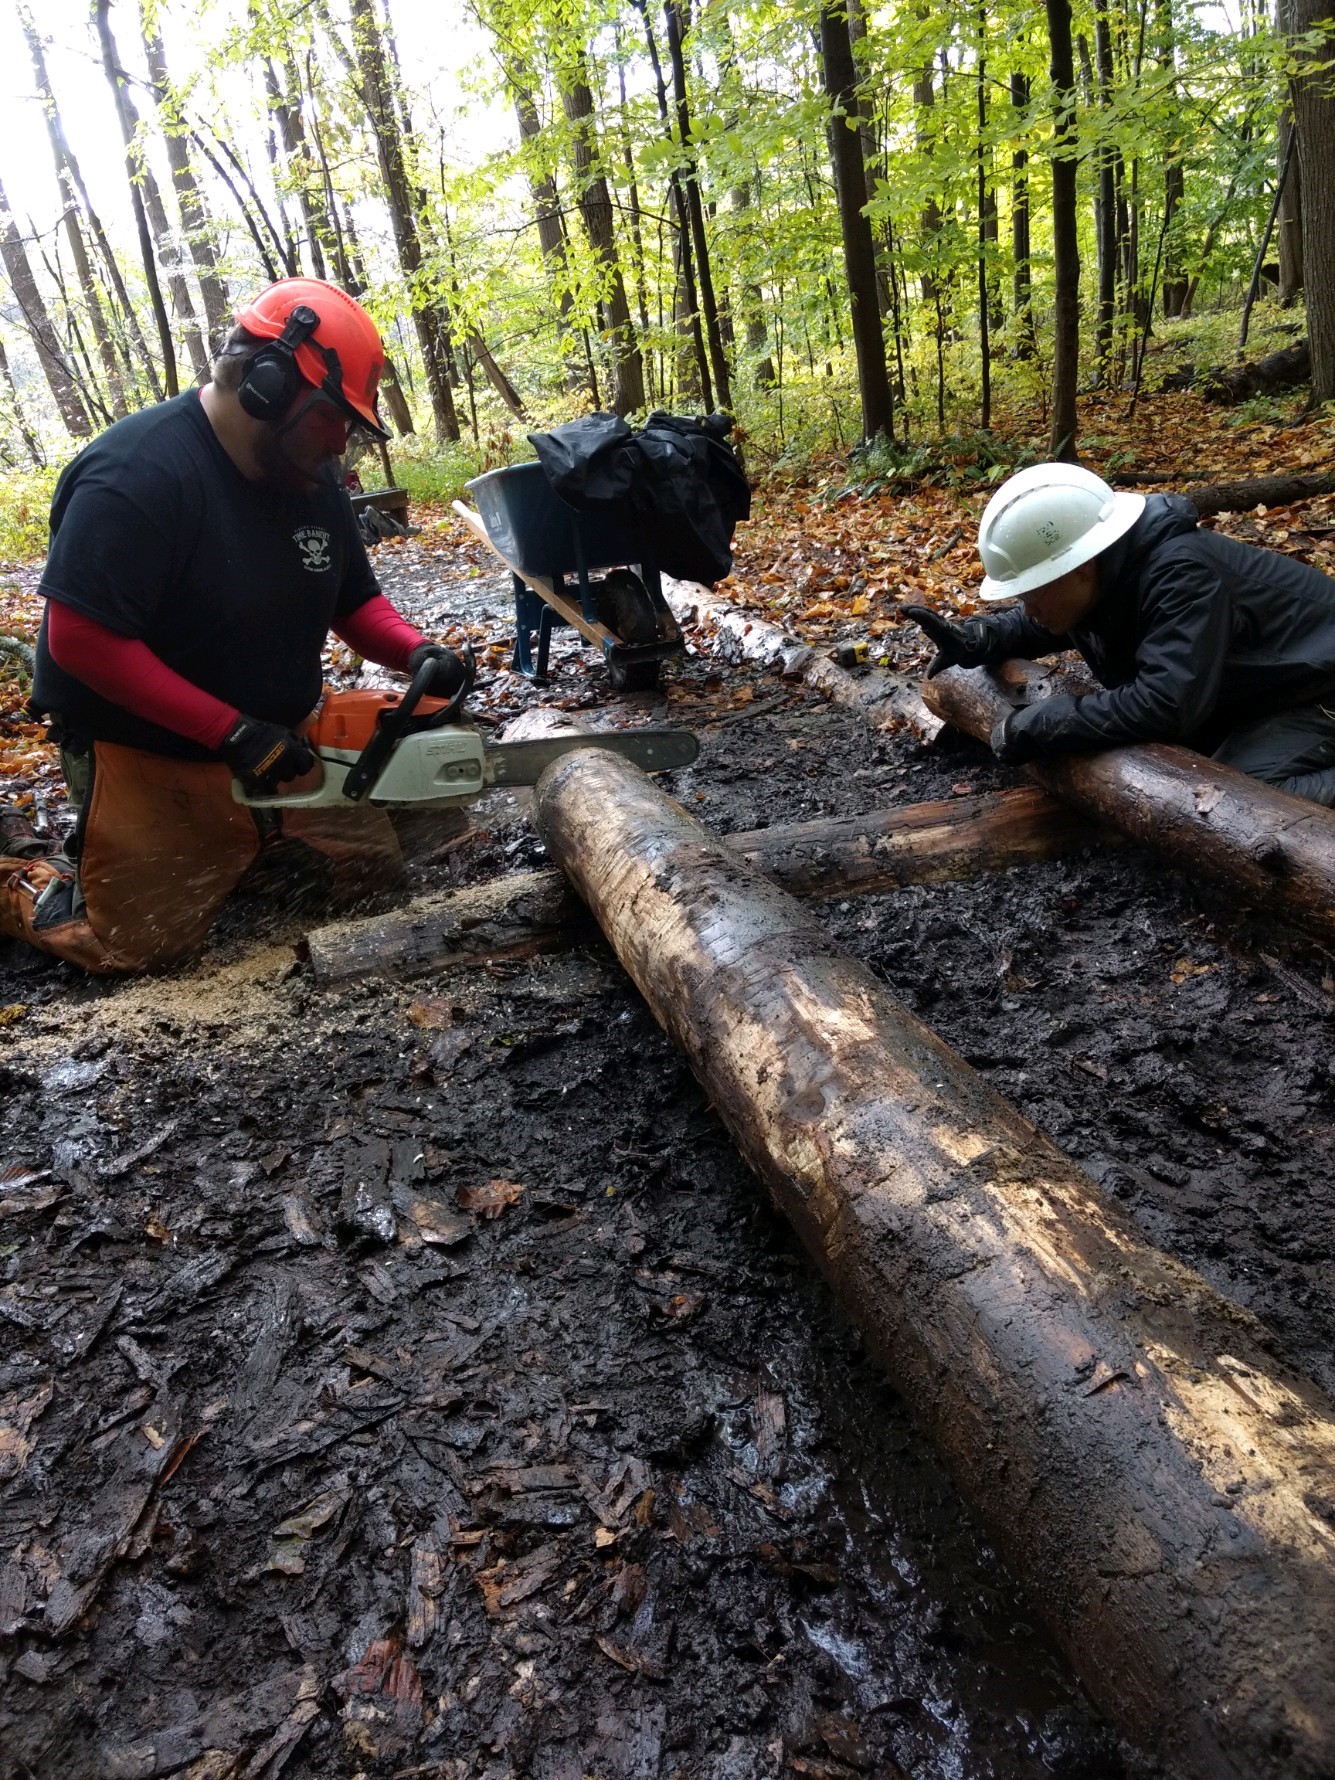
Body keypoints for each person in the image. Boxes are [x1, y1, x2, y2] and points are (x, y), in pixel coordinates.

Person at [0, 278, 467, 974]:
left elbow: (353, 601)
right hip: (146, 745)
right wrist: (230, 732)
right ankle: (30, 881)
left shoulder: (314, 479)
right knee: (139, 946)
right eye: (330, 414)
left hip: (280, 743)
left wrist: (415, 651)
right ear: (267, 385)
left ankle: (246, 846)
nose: (342, 438)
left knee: (367, 884)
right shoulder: (137, 476)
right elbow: (80, 641)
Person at [903, 462, 1335, 807]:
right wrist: (979, 639)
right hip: (1264, 695)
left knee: (1233, 802)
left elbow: (1166, 703)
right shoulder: (1105, 573)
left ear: (1080, 567)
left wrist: (1045, 722)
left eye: (1033, 592)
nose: (1028, 607)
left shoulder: (1181, 574)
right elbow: (1039, 621)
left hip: (1318, 693)